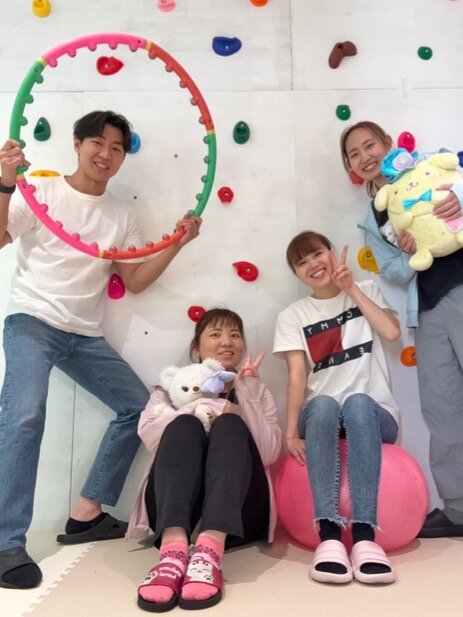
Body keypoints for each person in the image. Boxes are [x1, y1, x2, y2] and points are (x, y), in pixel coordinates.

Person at [0, 110, 201, 590]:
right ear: (77, 143)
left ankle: (86, 514)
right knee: (24, 417)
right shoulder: (40, 190)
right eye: (98, 143)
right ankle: (6, 543)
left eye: (117, 148)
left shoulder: (121, 215)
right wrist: (5, 183)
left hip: (83, 333)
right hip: (33, 320)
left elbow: (134, 281)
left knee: (140, 407)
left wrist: (177, 243)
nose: (106, 154)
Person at [340, 121, 463, 539]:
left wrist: (460, 197)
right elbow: (391, 270)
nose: (365, 156)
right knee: (442, 410)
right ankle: (458, 509)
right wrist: (409, 255)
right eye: (354, 154)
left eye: (369, 145)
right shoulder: (373, 218)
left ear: (387, 144)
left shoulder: (433, 165)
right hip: (427, 309)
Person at [127, 308, 281, 611]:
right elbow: (149, 435)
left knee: (230, 424)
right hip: (174, 511)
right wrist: (203, 406)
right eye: (216, 334)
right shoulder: (170, 388)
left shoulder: (255, 389)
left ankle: (209, 551)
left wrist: (247, 395)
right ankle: (172, 554)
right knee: (184, 424)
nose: (227, 341)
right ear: (197, 348)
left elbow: (269, 452)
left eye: (235, 335)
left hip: (238, 518)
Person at [273, 231, 400, 584]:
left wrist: (351, 290)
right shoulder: (293, 315)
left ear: (331, 252)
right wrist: (291, 433)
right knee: (325, 402)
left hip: (374, 415)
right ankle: (329, 536)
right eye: (302, 262)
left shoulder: (366, 290)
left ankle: (364, 538)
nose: (312, 265)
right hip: (322, 417)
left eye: (317, 254)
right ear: (296, 274)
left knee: (358, 402)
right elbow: (297, 375)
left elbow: (391, 333)